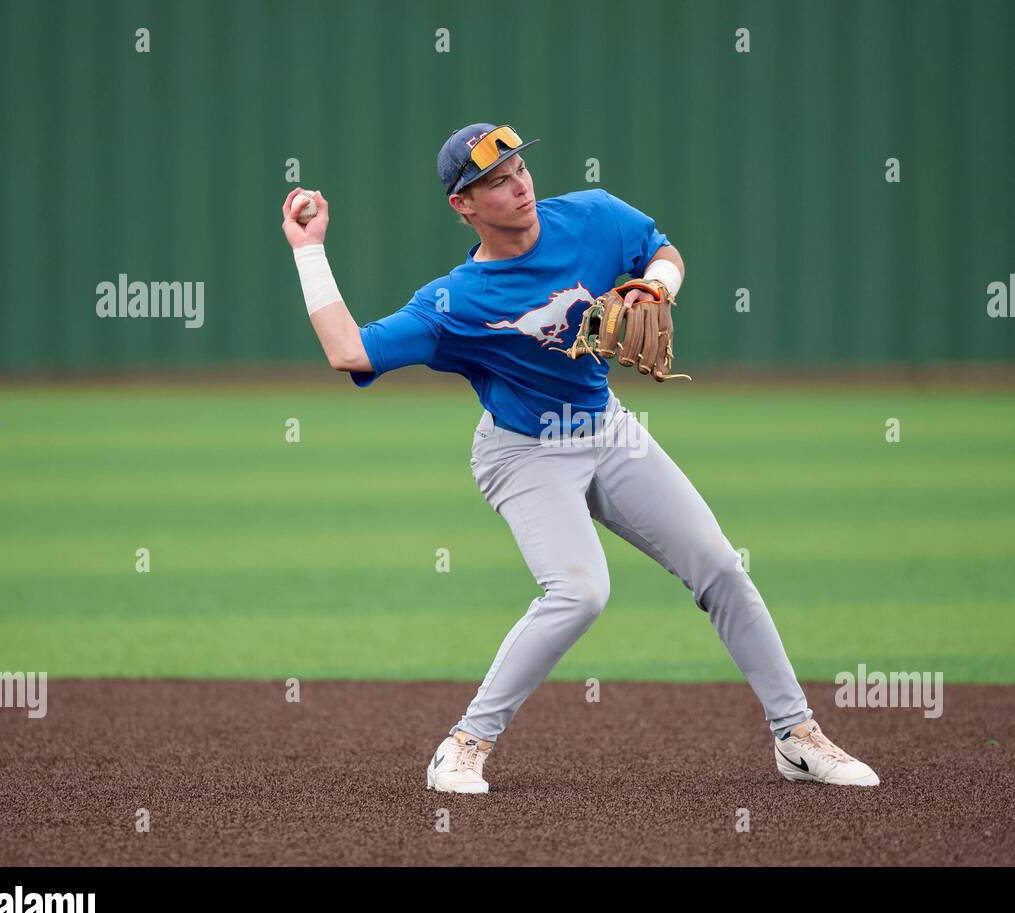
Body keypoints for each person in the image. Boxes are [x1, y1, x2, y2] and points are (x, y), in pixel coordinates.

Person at [281, 122, 880, 794]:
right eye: (497, 182)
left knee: (720, 567)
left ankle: (797, 736)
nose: (519, 185)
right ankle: (464, 744)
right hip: (524, 454)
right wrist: (310, 251)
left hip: (608, 432)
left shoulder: (591, 217)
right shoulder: (455, 303)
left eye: (519, 169)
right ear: (464, 205)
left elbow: (664, 250)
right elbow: (349, 353)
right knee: (580, 592)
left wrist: (655, 287)